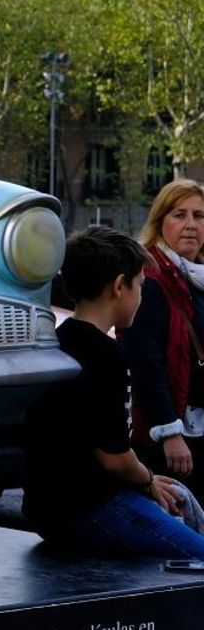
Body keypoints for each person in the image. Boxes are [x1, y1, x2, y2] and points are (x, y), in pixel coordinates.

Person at [23, 225, 204, 558]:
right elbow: (116, 458)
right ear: (120, 286)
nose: (140, 296)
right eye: (139, 286)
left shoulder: (59, 342)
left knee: (180, 501)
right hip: (89, 508)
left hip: (46, 507)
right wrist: (149, 479)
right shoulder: (106, 356)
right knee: (198, 554)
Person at [122, 179, 204, 497]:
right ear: (160, 222)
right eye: (179, 214)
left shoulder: (197, 276)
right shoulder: (150, 280)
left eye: (199, 216)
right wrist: (169, 432)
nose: (190, 226)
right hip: (171, 438)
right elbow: (145, 362)